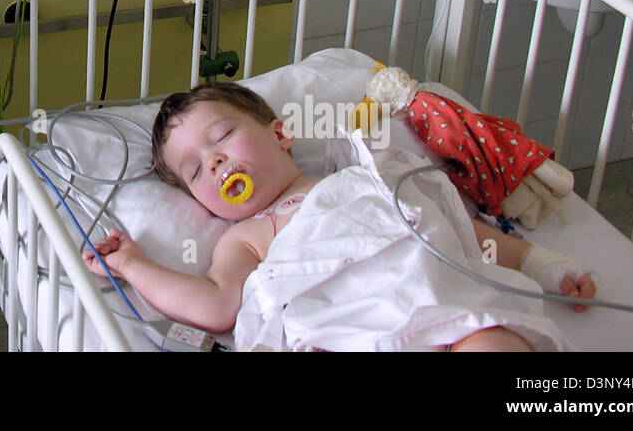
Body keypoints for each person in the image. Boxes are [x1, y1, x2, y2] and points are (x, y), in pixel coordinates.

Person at [82, 83, 597, 351]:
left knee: (495, 342)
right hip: (344, 333)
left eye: (221, 138)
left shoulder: (363, 177)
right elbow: (216, 306)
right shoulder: (248, 238)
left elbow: (458, 234)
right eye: (195, 172)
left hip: (436, 307)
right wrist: (132, 265)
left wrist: (542, 265)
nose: (213, 162)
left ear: (281, 134)